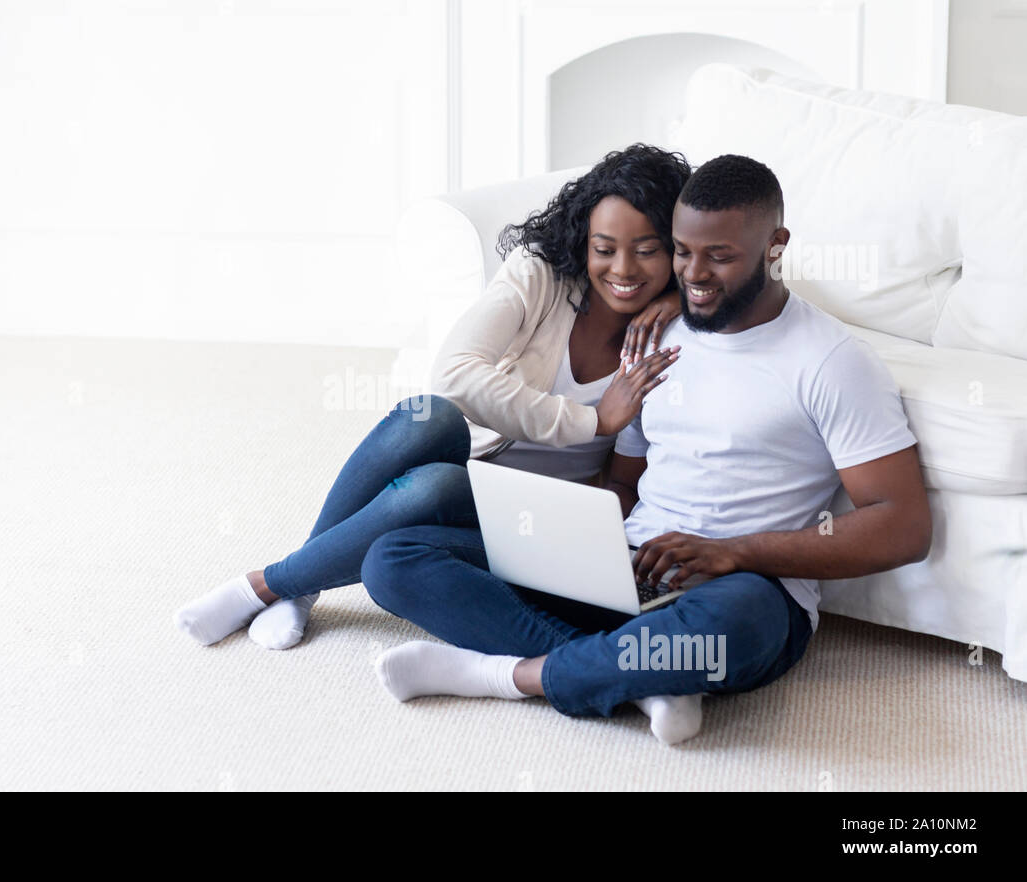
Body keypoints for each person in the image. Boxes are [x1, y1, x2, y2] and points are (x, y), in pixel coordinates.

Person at [359, 154, 932, 745]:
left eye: (721, 257)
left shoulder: (834, 362)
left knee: (732, 626)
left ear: (775, 244)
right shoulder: (657, 337)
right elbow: (625, 481)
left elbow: (903, 527)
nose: (695, 274)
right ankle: (639, 677)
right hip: (627, 565)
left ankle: (505, 674)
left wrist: (732, 553)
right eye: (683, 252)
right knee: (395, 558)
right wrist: (580, 541)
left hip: (746, 586)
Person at [174, 144, 691, 650]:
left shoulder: (665, 343)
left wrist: (575, 532)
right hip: (479, 473)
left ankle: (264, 584)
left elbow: (625, 488)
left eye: (647, 251)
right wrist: (591, 421)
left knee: (433, 487)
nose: (623, 269)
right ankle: (301, 580)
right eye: (605, 249)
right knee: (430, 417)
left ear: (675, 247)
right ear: (584, 243)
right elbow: (454, 374)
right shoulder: (541, 277)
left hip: (540, 517)